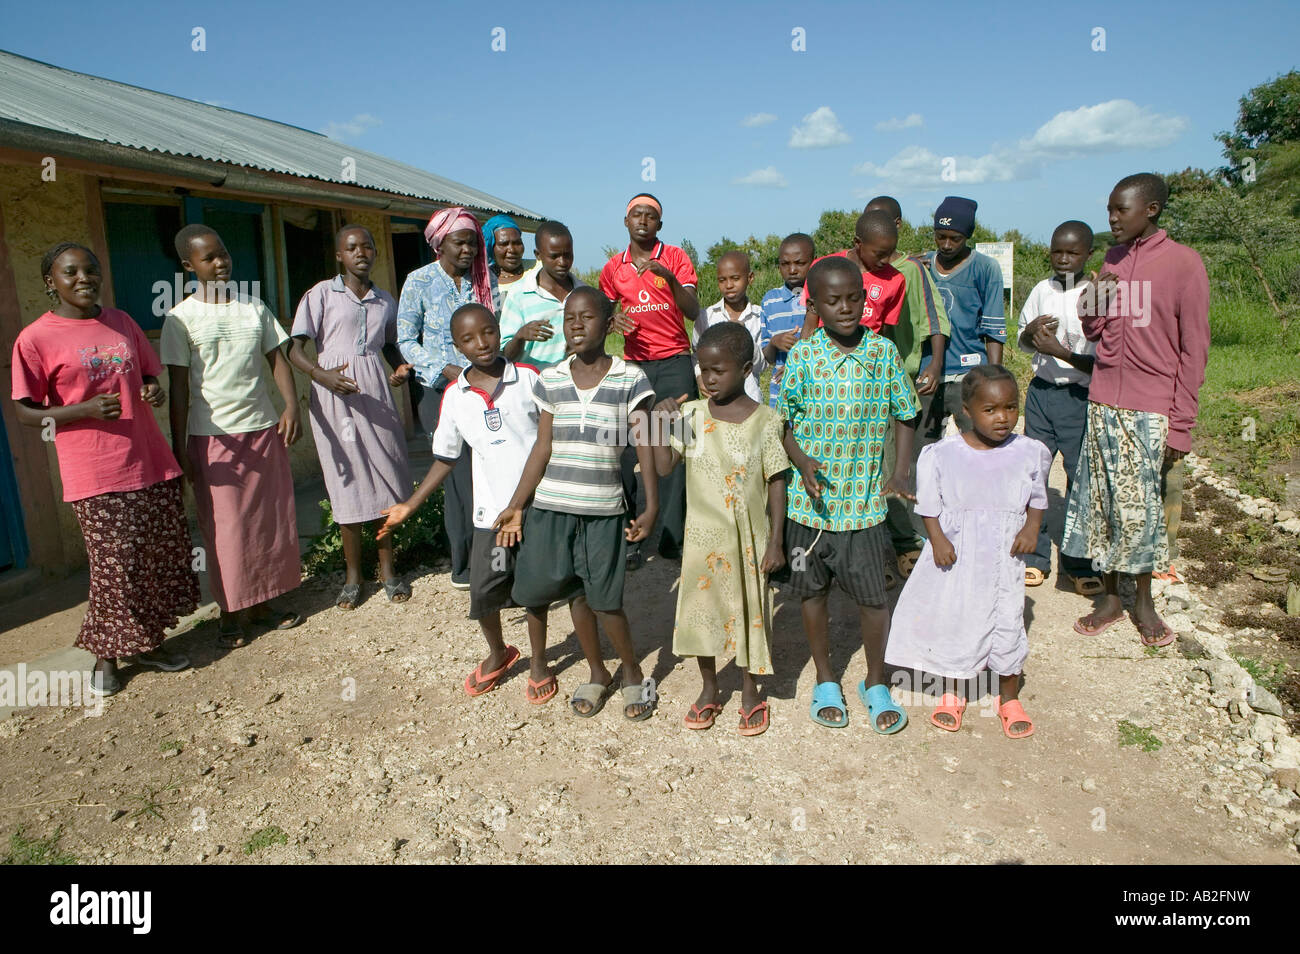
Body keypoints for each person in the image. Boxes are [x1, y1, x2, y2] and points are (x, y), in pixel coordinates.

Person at [11, 243, 198, 696]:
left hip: (150, 460)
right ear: (50, 282)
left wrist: (151, 391)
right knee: (114, 566)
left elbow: (148, 376)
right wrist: (83, 410)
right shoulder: (36, 338)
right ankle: (105, 656)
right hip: (94, 471)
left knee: (153, 559)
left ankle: (148, 644)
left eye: (91, 270)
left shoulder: (121, 322)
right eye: (70, 272)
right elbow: (25, 412)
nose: (83, 278)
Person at [492, 288, 660, 720]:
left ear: (609, 323)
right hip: (552, 507)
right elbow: (541, 449)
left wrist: (650, 506)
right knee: (574, 596)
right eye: (570, 318)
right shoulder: (552, 380)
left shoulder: (630, 378)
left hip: (604, 509)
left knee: (606, 599)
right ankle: (597, 671)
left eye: (587, 317)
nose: (577, 325)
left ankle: (632, 671)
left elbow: (644, 444)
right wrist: (517, 504)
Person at [773, 256, 920, 733]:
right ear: (813, 304)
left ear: (864, 297)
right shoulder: (803, 356)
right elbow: (783, 421)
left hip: (863, 505)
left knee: (874, 598)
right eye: (832, 301)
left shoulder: (882, 354)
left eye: (853, 298)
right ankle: (825, 677)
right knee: (811, 592)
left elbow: (906, 411)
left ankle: (875, 682)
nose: (845, 308)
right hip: (808, 506)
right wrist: (801, 460)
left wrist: (900, 470)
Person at [1063, 173, 1210, 646]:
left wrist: (1180, 426)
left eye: (1120, 210)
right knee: (1102, 502)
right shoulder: (1112, 258)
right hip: (1103, 401)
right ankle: (1109, 600)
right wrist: (1097, 291)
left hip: (1150, 410)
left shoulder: (1184, 265)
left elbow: (1194, 351)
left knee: (1142, 510)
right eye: (1109, 209)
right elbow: (1091, 329)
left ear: (1151, 210)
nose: (1111, 218)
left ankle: (1142, 604)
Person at [378, 305, 549, 696]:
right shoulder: (455, 397)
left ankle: (539, 661)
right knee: (484, 589)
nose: (481, 344)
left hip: (535, 506)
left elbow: (548, 438)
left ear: (498, 330)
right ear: (457, 346)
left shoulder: (527, 379)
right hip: (491, 514)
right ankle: (498, 652)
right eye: (468, 339)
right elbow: (446, 457)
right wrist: (411, 503)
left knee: (534, 589)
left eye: (488, 333)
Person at [885, 366, 1048, 739]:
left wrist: (1031, 527)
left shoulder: (1028, 452)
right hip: (958, 556)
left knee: (1008, 621)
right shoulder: (943, 455)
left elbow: (1037, 498)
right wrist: (937, 539)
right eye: (990, 410)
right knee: (956, 620)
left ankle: (1008, 697)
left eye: (1010, 407)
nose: (1003, 417)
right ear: (967, 411)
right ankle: (953, 691)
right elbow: (928, 506)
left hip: (1005, 558)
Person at [162, 224, 303, 648]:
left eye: (223, 253)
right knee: (227, 528)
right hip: (212, 438)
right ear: (189, 266)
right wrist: (180, 446)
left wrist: (290, 406)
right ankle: (231, 610)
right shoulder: (180, 318)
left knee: (268, 521)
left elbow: (276, 358)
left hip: (261, 428)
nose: (221, 263)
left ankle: (264, 602)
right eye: (209, 258)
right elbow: (180, 389)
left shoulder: (253, 307)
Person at [654, 322, 789, 736]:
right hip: (701, 540)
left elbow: (776, 480)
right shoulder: (692, 414)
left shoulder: (767, 419)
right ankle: (710, 688)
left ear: (747, 368)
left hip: (750, 539)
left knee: (750, 614)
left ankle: (749, 692)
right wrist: (664, 423)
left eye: (718, 371)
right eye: (702, 370)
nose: (707, 379)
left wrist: (777, 542)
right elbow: (663, 467)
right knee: (701, 615)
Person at [288, 225, 413, 609]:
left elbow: (390, 346)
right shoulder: (321, 295)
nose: (361, 252)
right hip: (334, 394)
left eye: (367, 246)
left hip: (375, 394)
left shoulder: (384, 301)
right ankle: (354, 576)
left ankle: (389, 571)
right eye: (351, 247)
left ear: (375, 253)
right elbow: (294, 348)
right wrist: (319, 374)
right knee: (348, 483)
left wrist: (400, 369)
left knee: (387, 475)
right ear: (339, 256)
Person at [396, 207, 495, 588]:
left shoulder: (483, 282)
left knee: (486, 470)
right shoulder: (418, 282)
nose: (469, 249)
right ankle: (465, 565)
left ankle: (495, 558)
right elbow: (406, 340)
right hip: (439, 393)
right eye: (460, 242)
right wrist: (446, 370)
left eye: (473, 242)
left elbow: (494, 330)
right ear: (440, 244)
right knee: (454, 474)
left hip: (482, 389)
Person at [599, 193, 699, 568]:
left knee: (676, 449)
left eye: (651, 215)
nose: (643, 219)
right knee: (628, 451)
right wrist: (613, 321)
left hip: (675, 363)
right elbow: (600, 311)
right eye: (636, 214)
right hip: (635, 368)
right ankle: (630, 538)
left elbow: (692, 310)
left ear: (660, 224)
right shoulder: (613, 268)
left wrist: (669, 279)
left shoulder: (675, 257)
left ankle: (673, 537)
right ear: (625, 222)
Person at [862, 196, 950, 579]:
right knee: (864, 462)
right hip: (856, 386)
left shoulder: (909, 272)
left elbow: (934, 319)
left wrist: (934, 362)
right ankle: (870, 548)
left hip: (899, 379)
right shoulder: (849, 269)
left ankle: (906, 543)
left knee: (900, 464)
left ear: (897, 226)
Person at [1016, 220, 1099, 594]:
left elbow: (1103, 361)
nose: (1064, 259)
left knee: (1080, 478)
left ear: (1088, 255)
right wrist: (1030, 332)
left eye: (1073, 252)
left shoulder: (1096, 295)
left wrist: (1060, 351)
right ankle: (1035, 556)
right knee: (1034, 475)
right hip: (1041, 394)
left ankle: (1078, 562)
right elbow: (1023, 340)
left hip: (1079, 397)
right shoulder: (1040, 290)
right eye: (1057, 251)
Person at [919, 196, 1005, 445]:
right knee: (923, 452)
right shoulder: (922, 265)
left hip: (969, 374)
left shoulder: (985, 268)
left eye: (954, 238)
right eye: (940, 236)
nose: (946, 244)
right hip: (928, 375)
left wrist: (993, 376)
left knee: (981, 445)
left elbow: (994, 328)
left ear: (968, 236)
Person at [798, 210, 906, 336]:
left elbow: (885, 332)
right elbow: (810, 321)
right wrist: (802, 353)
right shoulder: (822, 269)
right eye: (880, 254)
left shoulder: (895, 280)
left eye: (890, 253)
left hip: (866, 354)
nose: (886, 260)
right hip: (823, 353)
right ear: (858, 243)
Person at [499, 220, 582, 369]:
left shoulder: (582, 292)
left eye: (567, 255)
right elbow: (505, 354)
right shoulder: (519, 294)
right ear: (538, 255)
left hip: (572, 384)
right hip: (533, 385)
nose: (562, 262)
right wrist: (520, 336)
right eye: (554, 256)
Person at [691, 250, 764, 402]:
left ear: (750, 278)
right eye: (722, 280)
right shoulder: (706, 316)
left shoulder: (760, 316)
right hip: (715, 399)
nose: (729, 285)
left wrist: (744, 336)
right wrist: (699, 377)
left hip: (750, 399)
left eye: (735, 278)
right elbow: (696, 356)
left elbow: (761, 365)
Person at [758, 233, 814, 409]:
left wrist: (797, 366)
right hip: (780, 394)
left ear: (814, 261)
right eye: (785, 264)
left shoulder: (823, 298)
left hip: (814, 393)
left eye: (800, 263)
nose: (792, 270)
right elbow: (767, 357)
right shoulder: (770, 301)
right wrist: (775, 343)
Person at [483, 214, 527, 306]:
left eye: (517, 243)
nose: (512, 250)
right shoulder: (482, 283)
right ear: (490, 247)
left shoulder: (539, 270)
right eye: (503, 244)